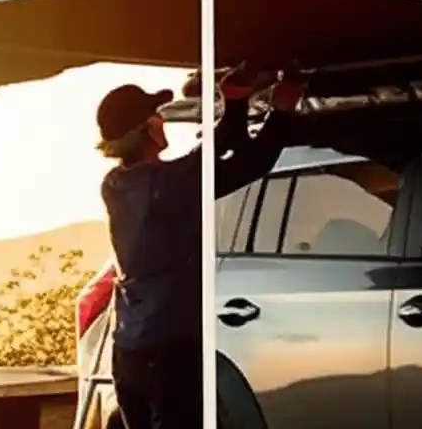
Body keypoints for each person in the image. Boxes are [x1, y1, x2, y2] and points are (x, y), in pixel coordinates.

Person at [95, 65, 304, 429]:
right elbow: (243, 160)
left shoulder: (114, 184)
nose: (162, 120)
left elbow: (212, 158)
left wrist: (238, 105)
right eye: (155, 116)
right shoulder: (168, 185)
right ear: (146, 129)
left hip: (128, 349)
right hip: (170, 349)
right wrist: (276, 111)